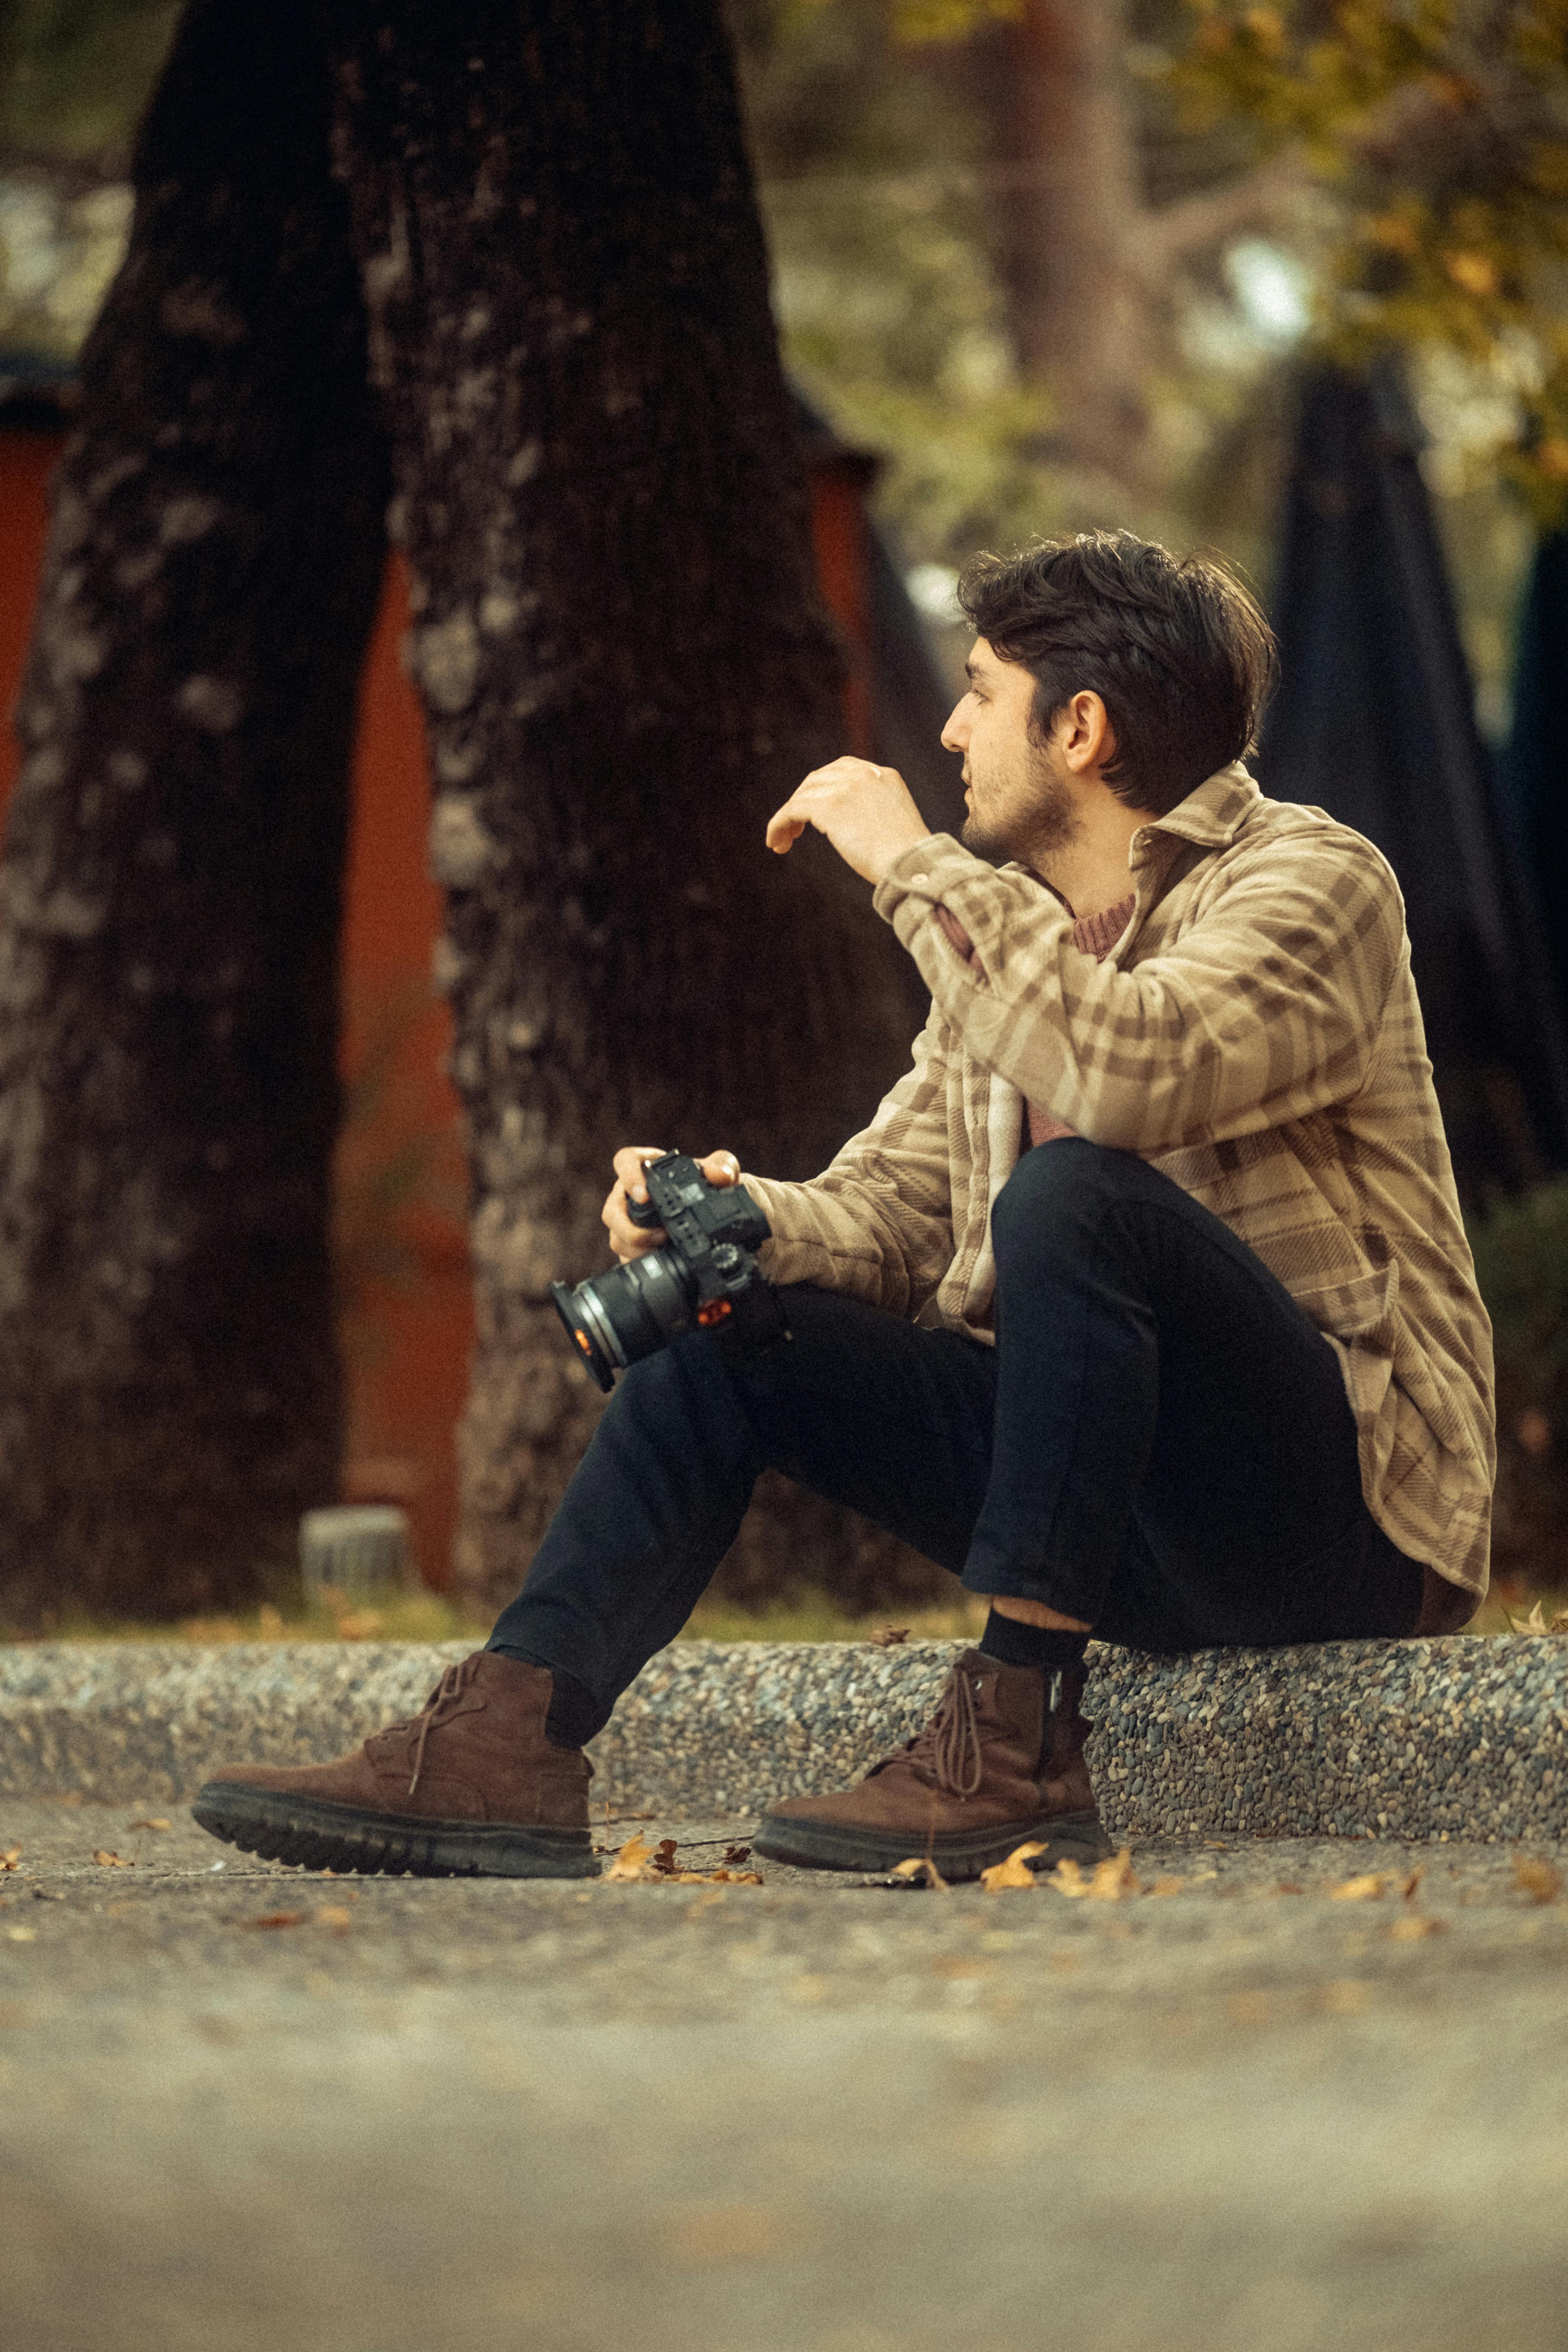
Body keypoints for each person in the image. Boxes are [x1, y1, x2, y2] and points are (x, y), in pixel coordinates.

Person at [194, 531, 1494, 1883]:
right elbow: (889, 1211)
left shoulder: (1311, 881)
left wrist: (908, 863)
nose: (950, 731)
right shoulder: (1011, 938)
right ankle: (511, 1736)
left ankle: (1013, 1747)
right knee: (732, 1328)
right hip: (1132, 1528)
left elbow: (1134, 1072)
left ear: (1080, 728)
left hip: (1335, 1520)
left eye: (979, 693)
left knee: (1075, 1197)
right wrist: (733, 1217)